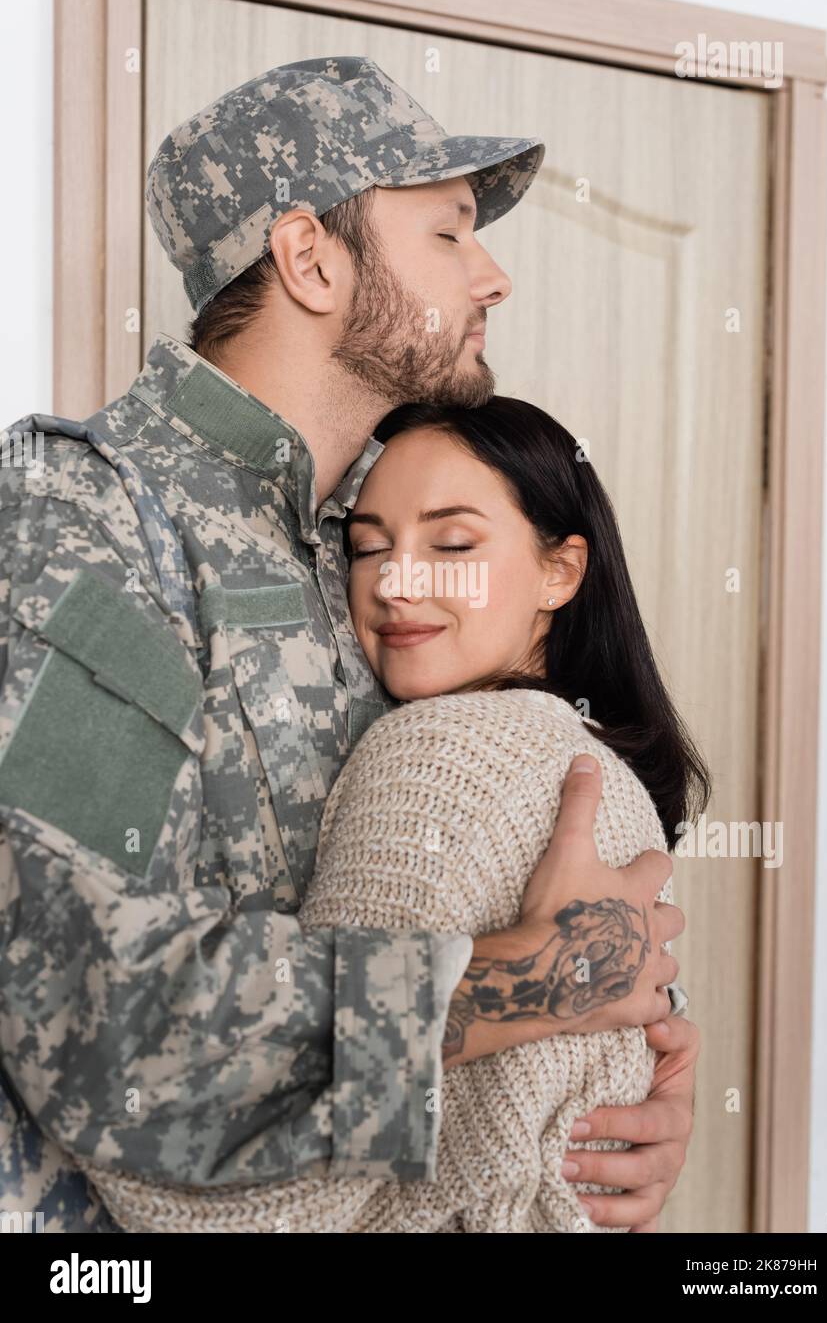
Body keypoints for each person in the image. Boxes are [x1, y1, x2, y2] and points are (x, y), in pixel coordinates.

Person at [0, 56, 697, 1233]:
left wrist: (619, 1101)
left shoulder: (400, 518)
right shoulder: (83, 522)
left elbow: (542, 856)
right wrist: (541, 983)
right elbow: (97, 1018)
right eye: (447, 233)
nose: (494, 275)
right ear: (310, 257)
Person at [76, 395, 709, 1233]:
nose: (396, 582)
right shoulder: (592, 763)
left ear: (560, 570)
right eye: (368, 547)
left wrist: (76, 1052)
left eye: (452, 545)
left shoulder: (438, 757)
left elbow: (254, 1203)